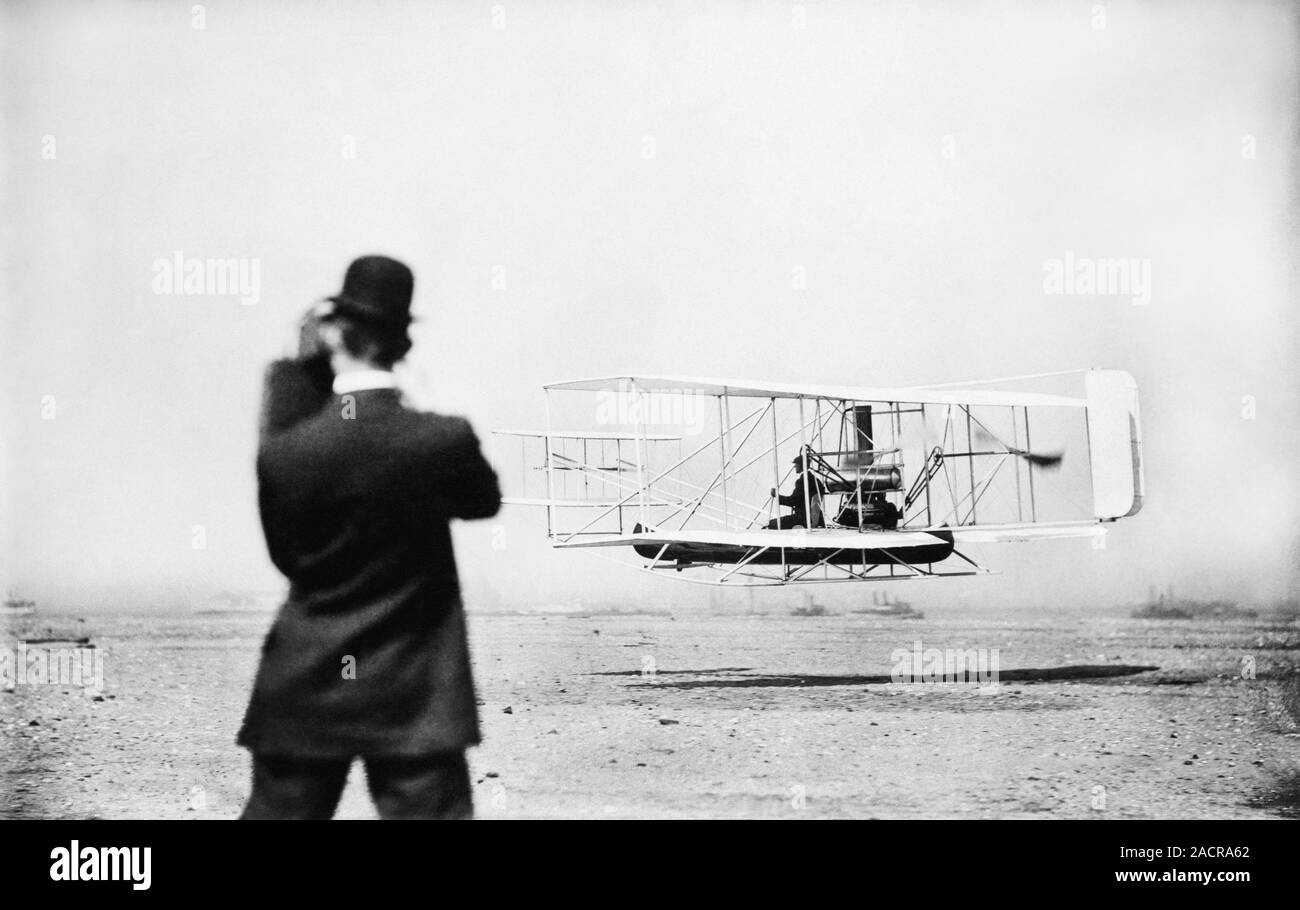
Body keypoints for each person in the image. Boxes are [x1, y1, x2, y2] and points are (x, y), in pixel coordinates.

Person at [237, 255, 501, 819]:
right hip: (416, 694)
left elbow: (288, 558)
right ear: (405, 343)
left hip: (305, 682)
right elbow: (484, 501)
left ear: (334, 334)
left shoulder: (286, 452)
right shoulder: (442, 442)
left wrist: (295, 374)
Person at [766, 453, 827, 529]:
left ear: (801, 465)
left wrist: (776, 496)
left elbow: (792, 501)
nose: (795, 466)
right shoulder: (817, 481)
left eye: (796, 464)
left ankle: (801, 527)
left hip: (803, 519)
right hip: (817, 519)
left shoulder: (802, 481)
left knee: (772, 524)